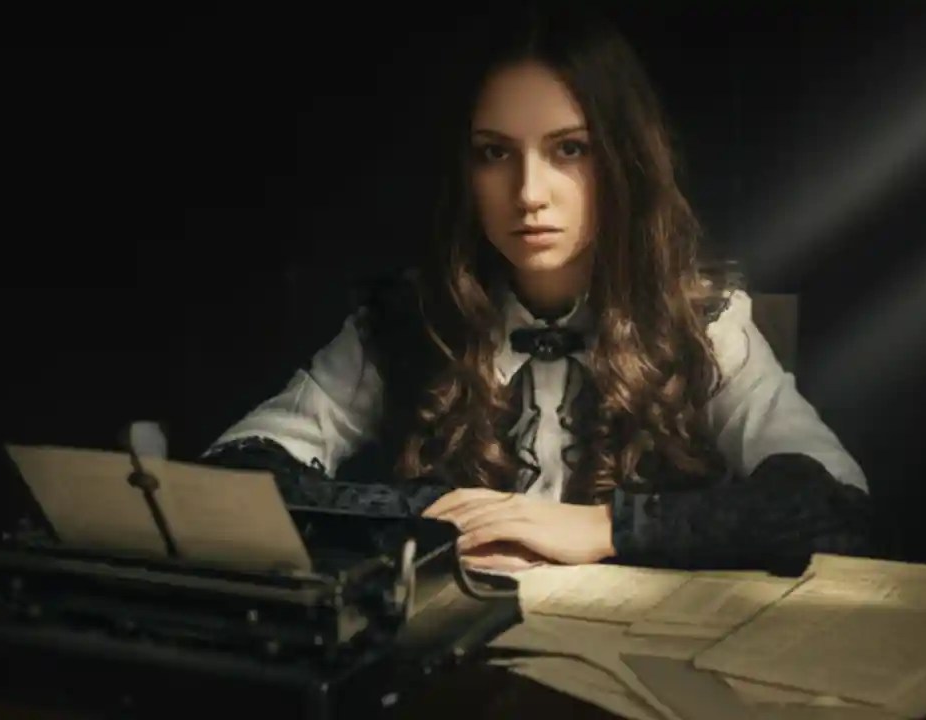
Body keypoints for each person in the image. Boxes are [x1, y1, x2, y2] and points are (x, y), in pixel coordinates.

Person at [202, 2, 873, 575]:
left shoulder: (697, 319)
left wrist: (603, 529)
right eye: (495, 152)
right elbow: (233, 477)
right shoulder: (412, 317)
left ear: (623, 159)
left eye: (569, 149)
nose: (528, 193)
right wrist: (430, 519)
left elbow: (832, 501)